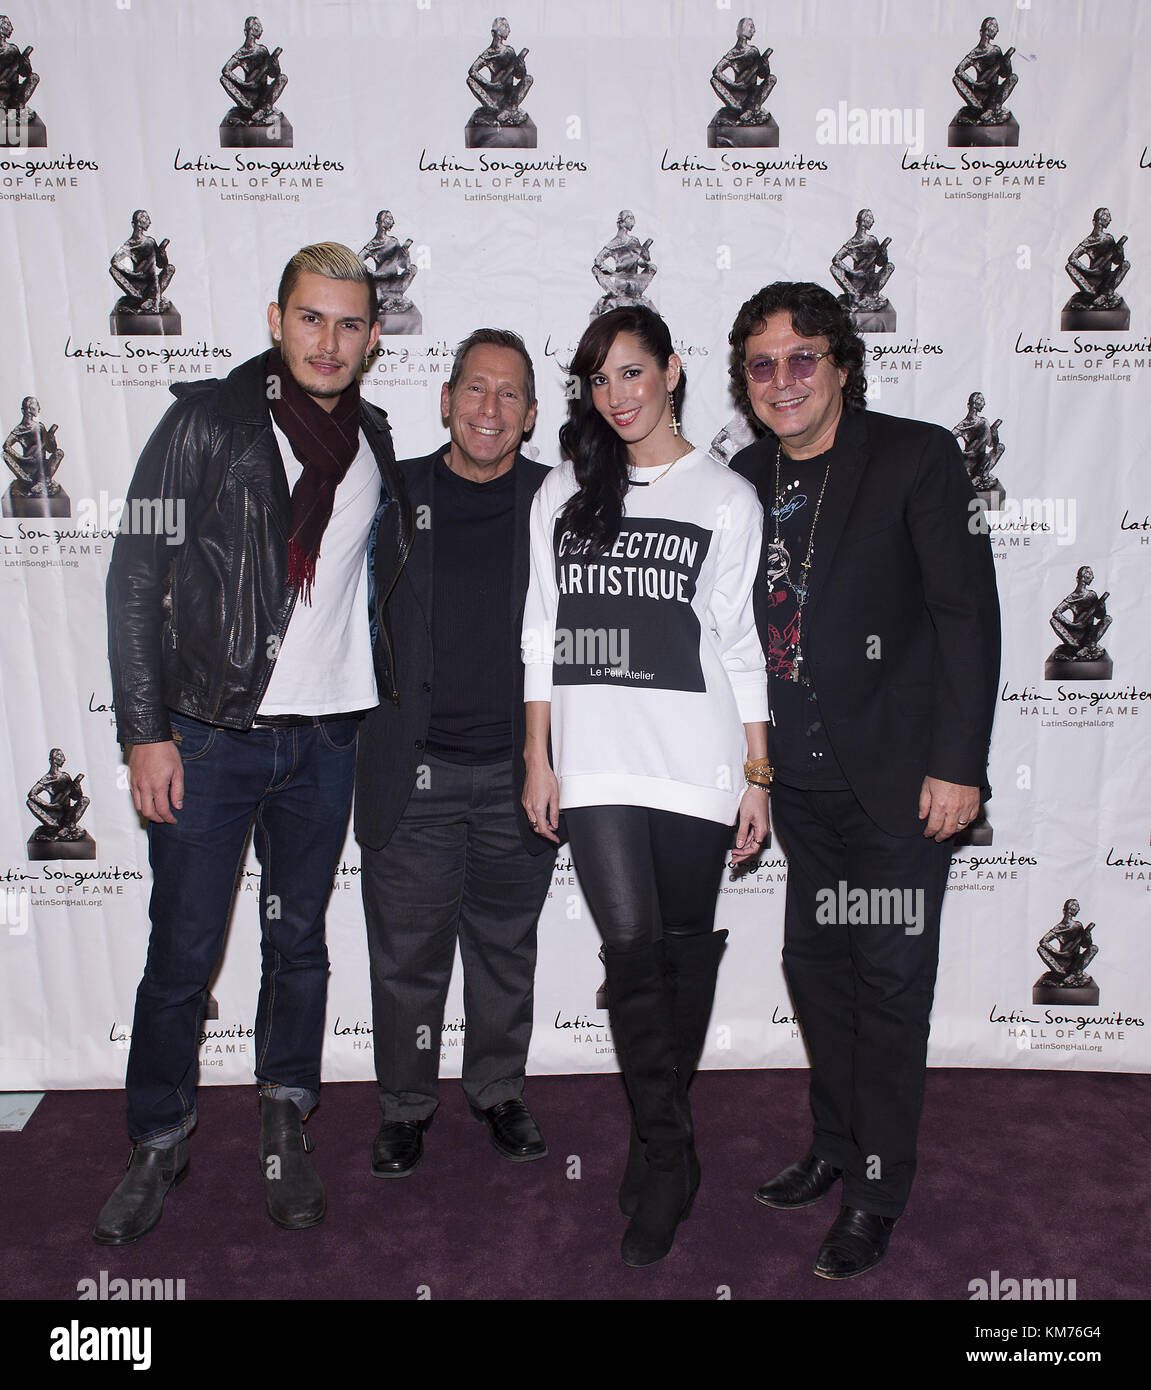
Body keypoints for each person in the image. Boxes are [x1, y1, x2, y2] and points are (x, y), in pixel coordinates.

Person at [95, 243, 411, 1244]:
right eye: (312, 319)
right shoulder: (204, 421)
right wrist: (146, 733)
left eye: (350, 324)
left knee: (299, 942)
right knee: (183, 949)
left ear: (371, 335)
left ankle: (285, 1118)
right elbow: (135, 575)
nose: (330, 342)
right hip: (212, 734)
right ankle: (157, 1138)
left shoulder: (374, 439)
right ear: (277, 318)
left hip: (325, 743)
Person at [727, 281, 999, 1278]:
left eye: (803, 358)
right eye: (762, 364)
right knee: (816, 970)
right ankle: (835, 1146)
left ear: (841, 363)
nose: (783, 380)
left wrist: (956, 765)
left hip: (896, 785)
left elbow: (966, 614)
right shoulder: (745, 475)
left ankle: (877, 1188)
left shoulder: (915, 457)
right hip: (797, 785)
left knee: (885, 986)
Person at [522, 305, 769, 1267]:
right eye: (599, 380)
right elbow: (540, 633)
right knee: (631, 960)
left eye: (632, 373)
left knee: (678, 957)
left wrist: (756, 774)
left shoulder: (724, 497)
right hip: (596, 761)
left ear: (671, 372)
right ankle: (669, 1153)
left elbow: (740, 645)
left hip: (699, 758)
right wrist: (538, 756)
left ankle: (658, 1137)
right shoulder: (563, 495)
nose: (617, 396)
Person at [355, 329, 555, 1176]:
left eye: (509, 395)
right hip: (414, 771)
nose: (489, 409)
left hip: (522, 774)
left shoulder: (558, 502)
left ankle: (499, 1089)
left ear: (532, 416)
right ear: (444, 400)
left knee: (506, 947)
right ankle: (405, 1105)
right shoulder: (389, 496)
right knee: (406, 959)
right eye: (475, 389)